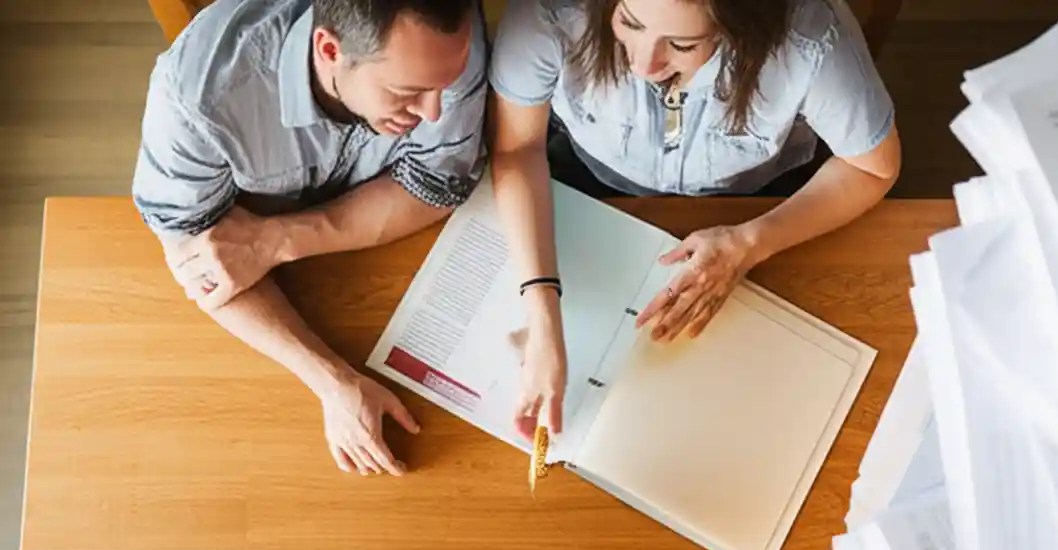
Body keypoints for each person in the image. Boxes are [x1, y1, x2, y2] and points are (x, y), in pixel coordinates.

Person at [488, 0, 901, 441]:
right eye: (629, 22)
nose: (645, 66)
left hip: (757, 199)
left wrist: (751, 242)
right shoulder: (550, 13)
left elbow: (872, 168)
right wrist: (543, 311)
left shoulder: (810, 42)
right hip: (589, 176)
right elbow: (516, 150)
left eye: (683, 45)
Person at [133, 0, 488, 477]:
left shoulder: (444, 40)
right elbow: (203, 262)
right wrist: (332, 381)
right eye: (408, 92)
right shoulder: (197, 96)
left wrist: (275, 241)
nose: (435, 111)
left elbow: (438, 185)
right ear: (329, 49)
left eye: (448, 85)